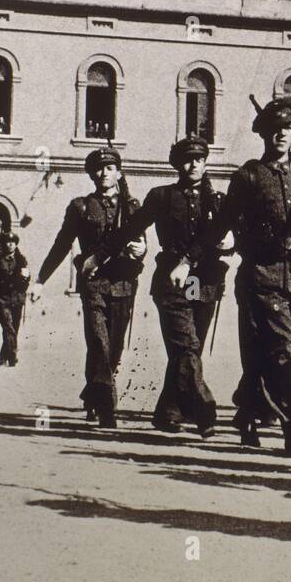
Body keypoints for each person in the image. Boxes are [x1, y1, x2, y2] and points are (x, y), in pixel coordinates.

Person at [205, 98, 291, 455]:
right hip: (263, 277)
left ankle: (249, 413)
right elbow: (228, 224)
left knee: (272, 354)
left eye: (287, 128)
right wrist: (230, 242)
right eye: (274, 128)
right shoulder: (249, 175)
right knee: (282, 353)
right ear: (264, 134)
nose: (281, 134)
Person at [120, 135, 230, 436]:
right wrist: (131, 246)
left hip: (204, 281)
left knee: (186, 352)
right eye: (186, 159)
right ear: (176, 164)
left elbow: (236, 236)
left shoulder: (218, 200)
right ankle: (205, 412)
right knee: (187, 346)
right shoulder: (161, 196)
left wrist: (231, 243)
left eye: (198, 158)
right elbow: (132, 227)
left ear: (206, 161)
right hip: (171, 280)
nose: (192, 164)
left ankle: (168, 412)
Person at [31, 147, 147, 427]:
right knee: (99, 342)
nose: (104, 173)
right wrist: (40, 280)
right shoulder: (81, 207)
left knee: (114, 348)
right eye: (98, 168)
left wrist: (141, 249)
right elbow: (62, 244)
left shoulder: (132, 207)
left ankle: (93, 395)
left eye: (109, 168)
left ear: (118, 172)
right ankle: (107, 407)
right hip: (94, 284)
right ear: (91, 174)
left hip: (123, 284)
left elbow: (143, 243)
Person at [0, 233, 29, 366]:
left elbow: (26, 280)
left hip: (17, 298)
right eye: (8, 242)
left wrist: (25, 280)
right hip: (3, 298)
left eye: (13, 242)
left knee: (14, 328)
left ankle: (3, 355)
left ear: (16, 244)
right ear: (4, 244)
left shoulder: (21, 260)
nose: (10, 244)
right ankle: (12, 356)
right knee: (9, 326)